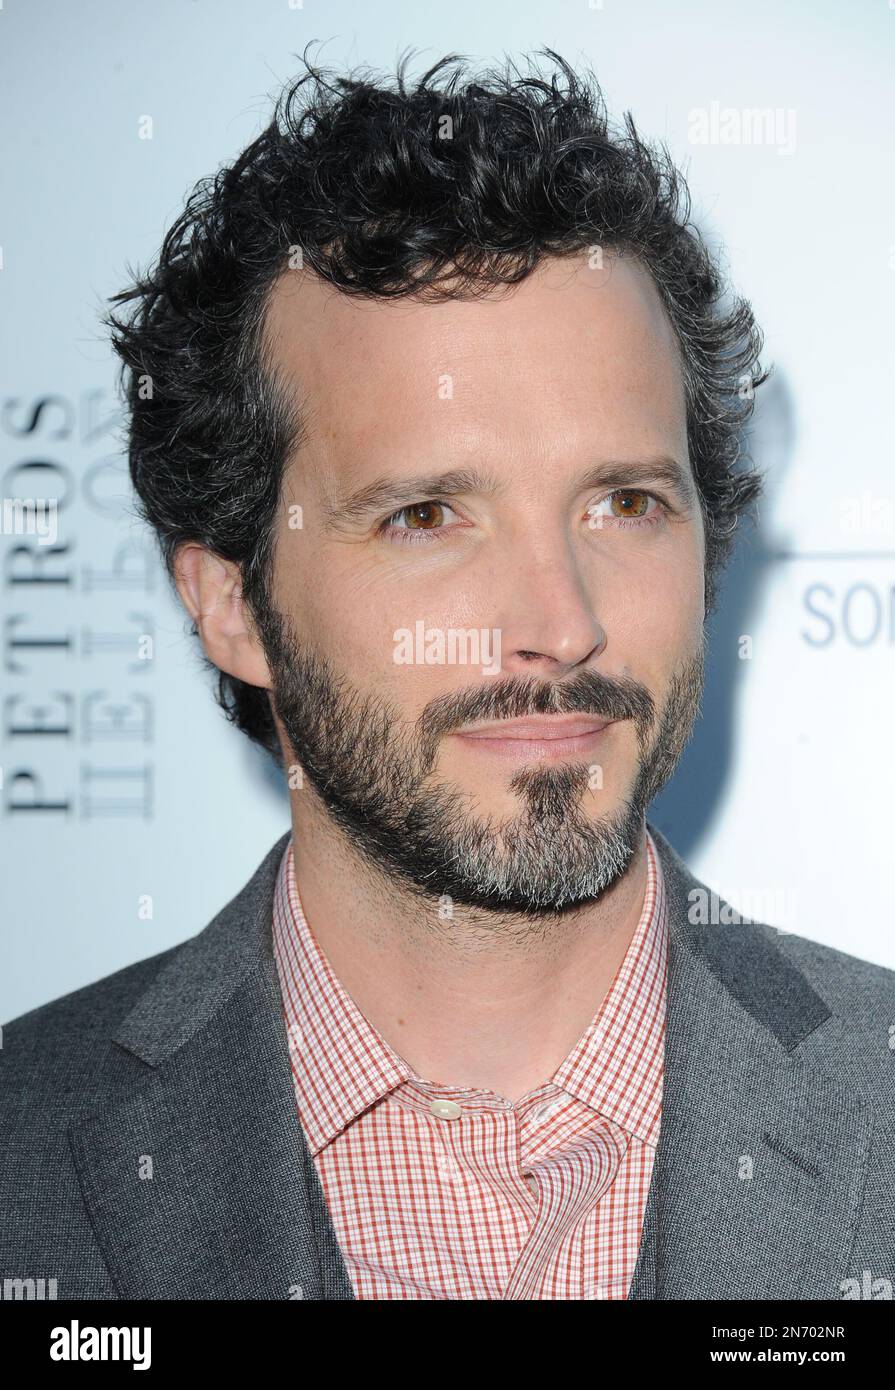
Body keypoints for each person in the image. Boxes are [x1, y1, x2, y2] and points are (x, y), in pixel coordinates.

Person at [2, 50, 893, 1302]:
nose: (559, 624)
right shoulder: (23, 1156)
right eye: (426, 516)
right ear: (228, 601)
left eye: (624, 502)